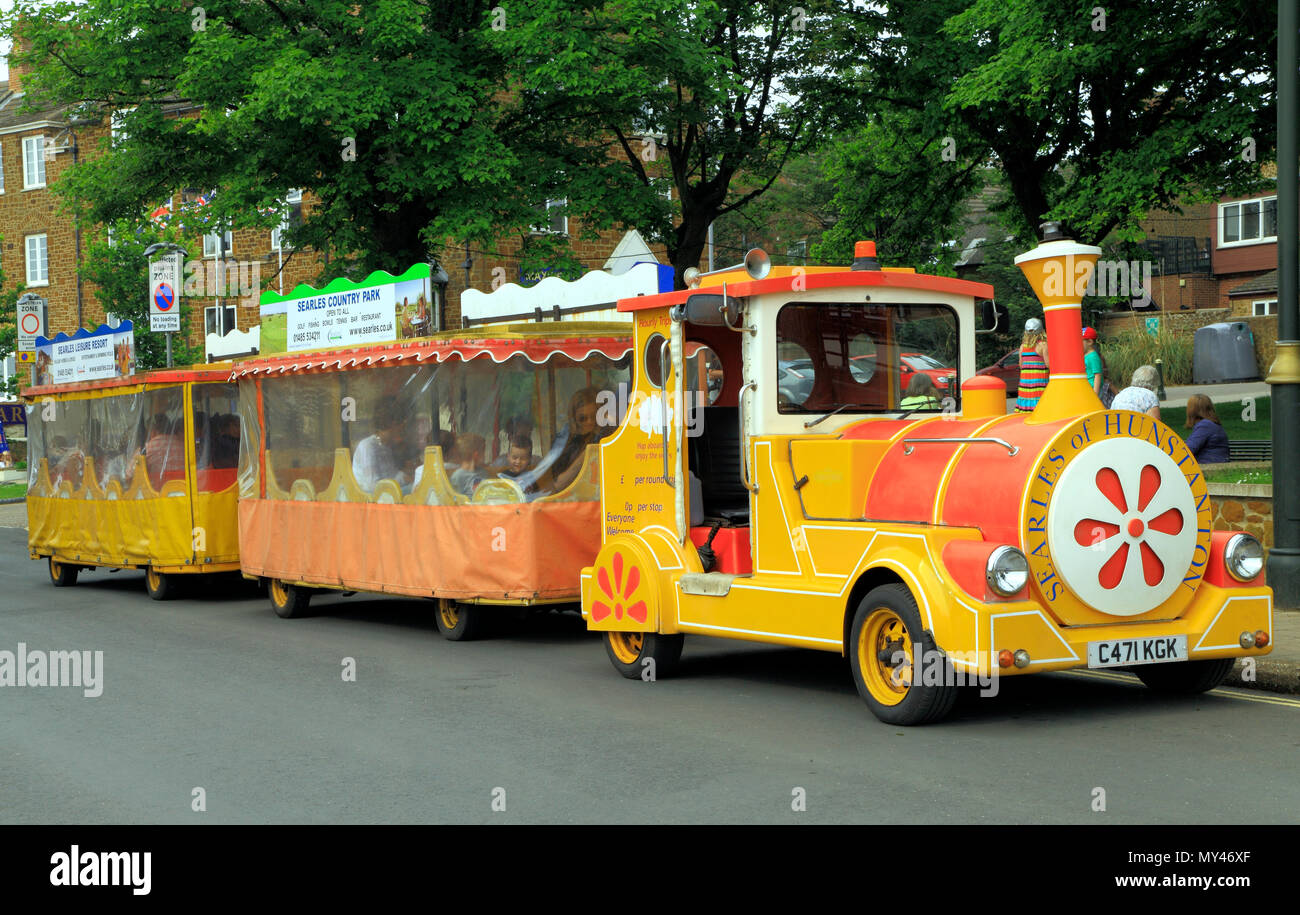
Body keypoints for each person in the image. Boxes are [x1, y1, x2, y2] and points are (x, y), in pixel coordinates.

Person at [550, 387, 612, 492]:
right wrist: (586, 455)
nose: (589, 422)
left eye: (595, 416)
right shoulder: (566, 444)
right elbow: (557, 485)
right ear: (574, 419)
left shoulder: (609, 439)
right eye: (583, 418)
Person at [352, 401, 412, 493]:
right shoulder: (367, 446)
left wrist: (407, 476)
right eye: (402, 426)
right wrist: (403, 480)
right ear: (393, 424)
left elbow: (392, 474)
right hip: (370, 499)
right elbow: (372, 485)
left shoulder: (386, 446)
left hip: (387, 494)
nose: (403, 429)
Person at [1015, 319, 1049, 413]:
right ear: (1042, 331)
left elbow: (1021, 365)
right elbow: (1048, 364)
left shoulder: (1023, 346)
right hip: (1039, 385)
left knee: (1025, 415)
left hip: (1025, 387)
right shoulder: (1043, 345)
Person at [1184, 394, 1230, 464]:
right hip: (1216, 462)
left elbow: (1188, 450)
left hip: (1210, 464)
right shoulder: (1211, 424)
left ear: (1192, 410)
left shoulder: (1205, 425)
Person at [144, 413, 185, 489]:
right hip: (183, 492)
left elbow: (129, 475)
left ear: (153, 431)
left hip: (159, 495)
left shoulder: (148, 447)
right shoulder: (184, 445)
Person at [1082, 327, 1113, 406]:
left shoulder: (1093, 357)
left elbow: (1098, 375)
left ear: (1089, 342)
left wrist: (1095, 394)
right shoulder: (1086, 355)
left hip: (1093, 389)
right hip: (1087, 388)